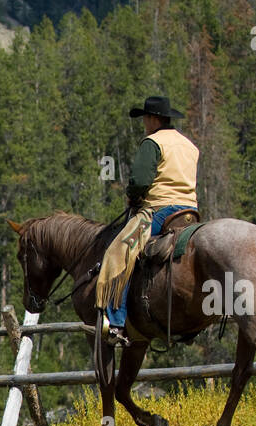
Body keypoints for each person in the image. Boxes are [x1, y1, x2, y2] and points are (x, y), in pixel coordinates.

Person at [95, 96, 199, 346]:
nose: (144, 123)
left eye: (145, 118)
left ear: (154, 119)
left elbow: (141, 180)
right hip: (190, 212)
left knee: (119, 252)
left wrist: (132, 196)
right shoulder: (189, 145)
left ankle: (115, 322)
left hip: (158, 210)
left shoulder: (152, 142)